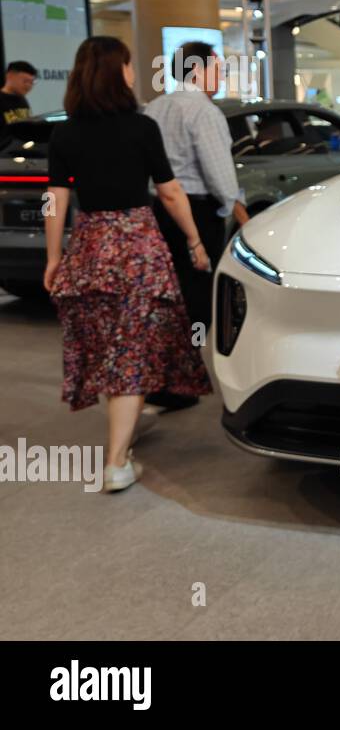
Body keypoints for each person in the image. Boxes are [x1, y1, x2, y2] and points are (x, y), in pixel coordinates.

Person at [43, 36, 212, 493]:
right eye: (130, 65)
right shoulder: (140, 128)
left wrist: (54, 257)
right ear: (117, 72)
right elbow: (171, 192)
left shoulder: (65, 132)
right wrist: (195, 240)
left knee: (106, 349)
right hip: (138, 249)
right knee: (131, 352)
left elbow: (54, 200)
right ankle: (117, 461)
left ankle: (127, 429)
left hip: (91, 249)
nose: (135, 72)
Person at [144, 41, 249, 411]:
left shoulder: (154, 108)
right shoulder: (204, 113)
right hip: (198, 212)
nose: (220, 75)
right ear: (197, 70)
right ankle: (184, 379)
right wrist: (231, 210)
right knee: (198, 300)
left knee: (167, 296)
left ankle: (161, 377)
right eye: (217, 68)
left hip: (161, 209)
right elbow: (220, 175)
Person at [0, 60, 36, 126]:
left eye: (31, 82)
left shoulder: (22, 99)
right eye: (25, 81)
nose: (28, 86)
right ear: (10, 76)